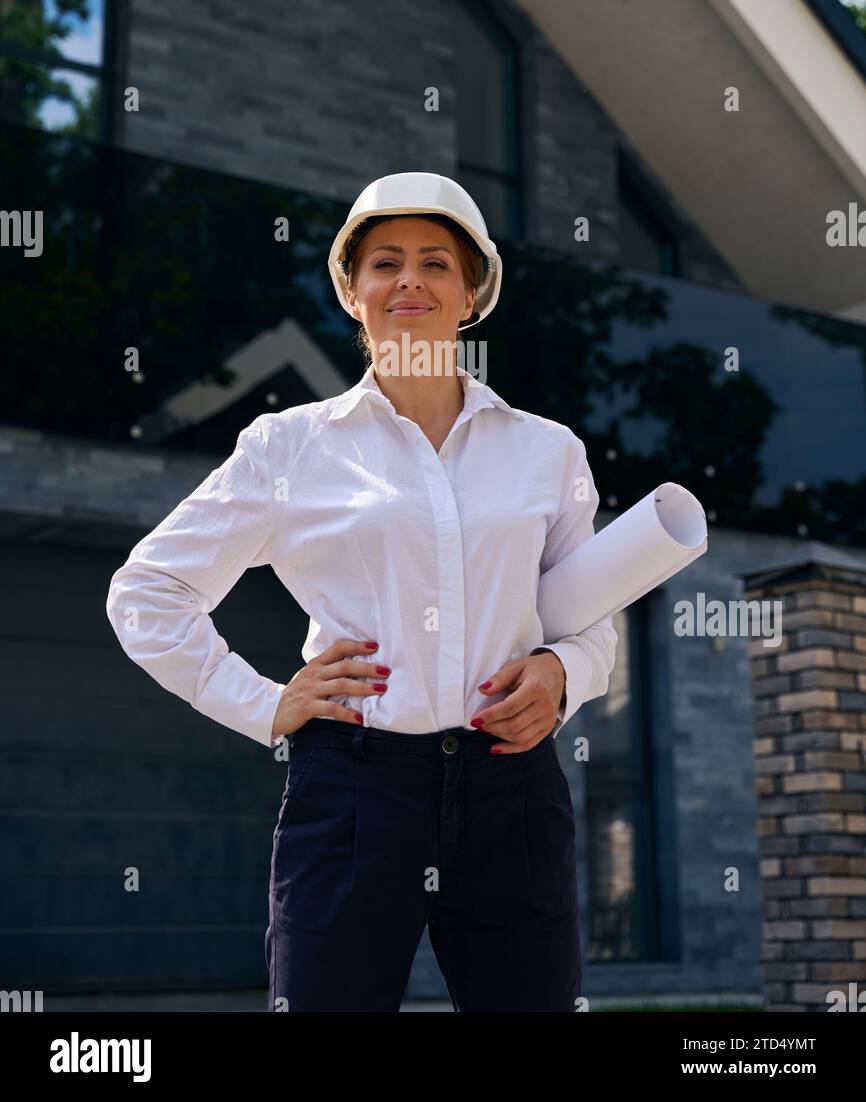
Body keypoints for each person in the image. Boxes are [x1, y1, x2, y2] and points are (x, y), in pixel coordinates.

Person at [106, 170, 618, 1012]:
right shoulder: (289, 447)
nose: (409, 279)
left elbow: (594, 617)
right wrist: (265, 704)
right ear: (353, 291)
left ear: (471, 292)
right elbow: (148, 592)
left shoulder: (548, 452)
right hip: (351, 792)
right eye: (384, 262)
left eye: (435, 263)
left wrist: (566, 675)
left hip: (512, 793)